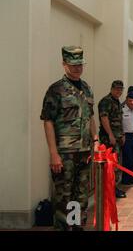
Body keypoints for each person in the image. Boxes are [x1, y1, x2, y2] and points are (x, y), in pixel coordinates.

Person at [40, 46, 99, 231]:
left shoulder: (87, 89)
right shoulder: (55, 90)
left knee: (80, 198)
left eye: (80, 64)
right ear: (64, 64)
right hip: (64, 155)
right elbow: (47, 121)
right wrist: (53, 154)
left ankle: (75, 227)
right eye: (73, 65)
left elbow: (90, 118)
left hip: (84, 154)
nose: (77, 68)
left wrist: (96, 140)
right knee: (63, 199)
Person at [98, 80, 126, 198]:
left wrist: (123, 134)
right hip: (109, 139)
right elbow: (104, 118)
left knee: (116, 164)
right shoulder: (106, 101)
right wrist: (110, 135)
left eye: (121, 89)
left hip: (118, 138)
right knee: (110, 165)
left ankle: (114, 188)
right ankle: (110, 190)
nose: (119, 91)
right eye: (117, 89)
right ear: (112, 88)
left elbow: (119, 120)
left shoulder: (117, 102)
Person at [121, 91, 133, 185]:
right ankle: (125, 179)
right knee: (127, 159)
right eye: (130, 101)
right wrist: (122, 134)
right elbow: (119, 124)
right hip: (126, 137)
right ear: (126, 100)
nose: (132, 103)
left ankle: (131, 178)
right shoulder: (122, 110)